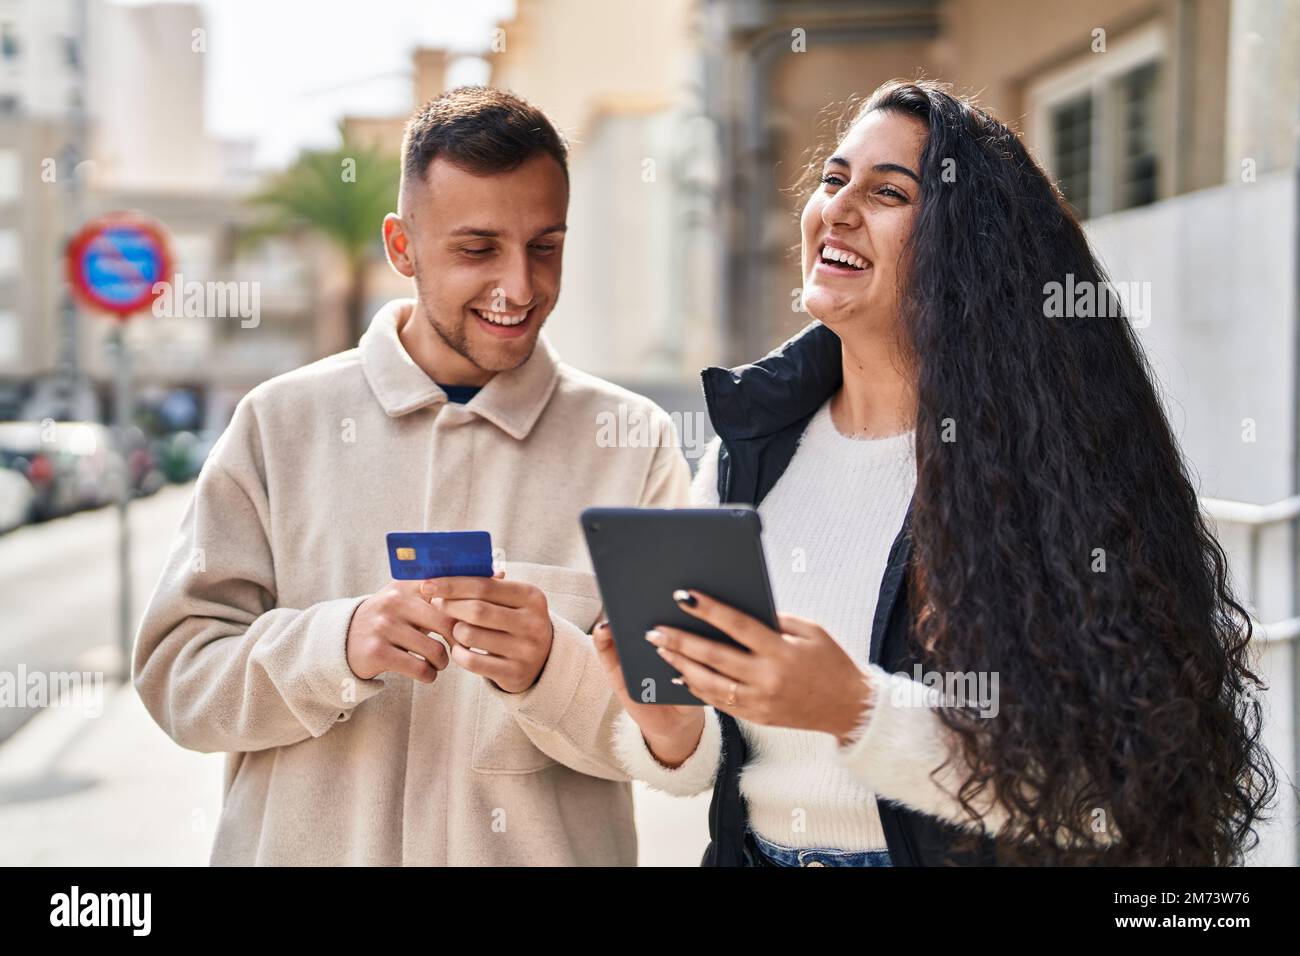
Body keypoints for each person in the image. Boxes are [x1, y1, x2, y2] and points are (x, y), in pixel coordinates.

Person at [594, 79, 1276, 867]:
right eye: (832, 179)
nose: (839, 209)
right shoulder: (747, 450)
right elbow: (729, 761)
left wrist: (854, 709)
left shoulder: (1047, 467)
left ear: (970, 247)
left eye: (887, 192)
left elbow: (1112, 792)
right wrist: (672, 723)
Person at [133, 87, 691, 865]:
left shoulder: (635, 442)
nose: (520, 287)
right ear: (401, 247)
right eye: (477, 249)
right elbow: (178, 682)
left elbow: (683, 740)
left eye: (545, 246)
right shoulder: (277, 424)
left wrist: (550, 669)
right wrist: (335, 645)